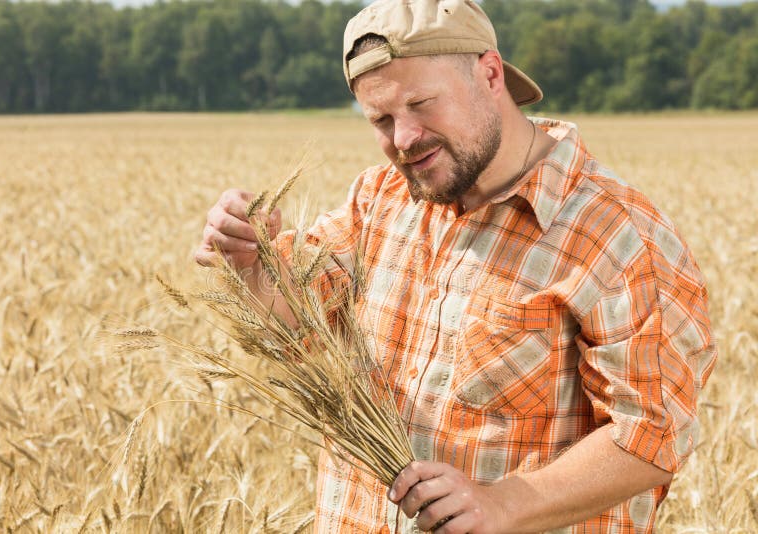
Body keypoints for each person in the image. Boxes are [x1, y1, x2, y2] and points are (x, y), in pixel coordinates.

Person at [195, 0, 717, 532]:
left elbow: (653, 433)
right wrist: (248, 267)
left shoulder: (617, 235)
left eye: (421, 103)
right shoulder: (378, 201)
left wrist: (504, 504)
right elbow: (297, 321)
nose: (403, 138)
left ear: (490, 73)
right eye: (381, 119)